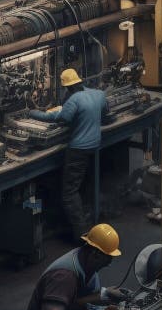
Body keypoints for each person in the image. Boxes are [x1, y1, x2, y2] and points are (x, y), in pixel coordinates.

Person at [29, 68, 110, 239]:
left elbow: (60, 119)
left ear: (67, 87)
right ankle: (81, 219)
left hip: (78, 150)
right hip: (95, 144)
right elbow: (105, 112)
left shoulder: (73, 100)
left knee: (69, 193)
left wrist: (33, 113)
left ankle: (82, 233)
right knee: (80, 183)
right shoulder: (98, 94)